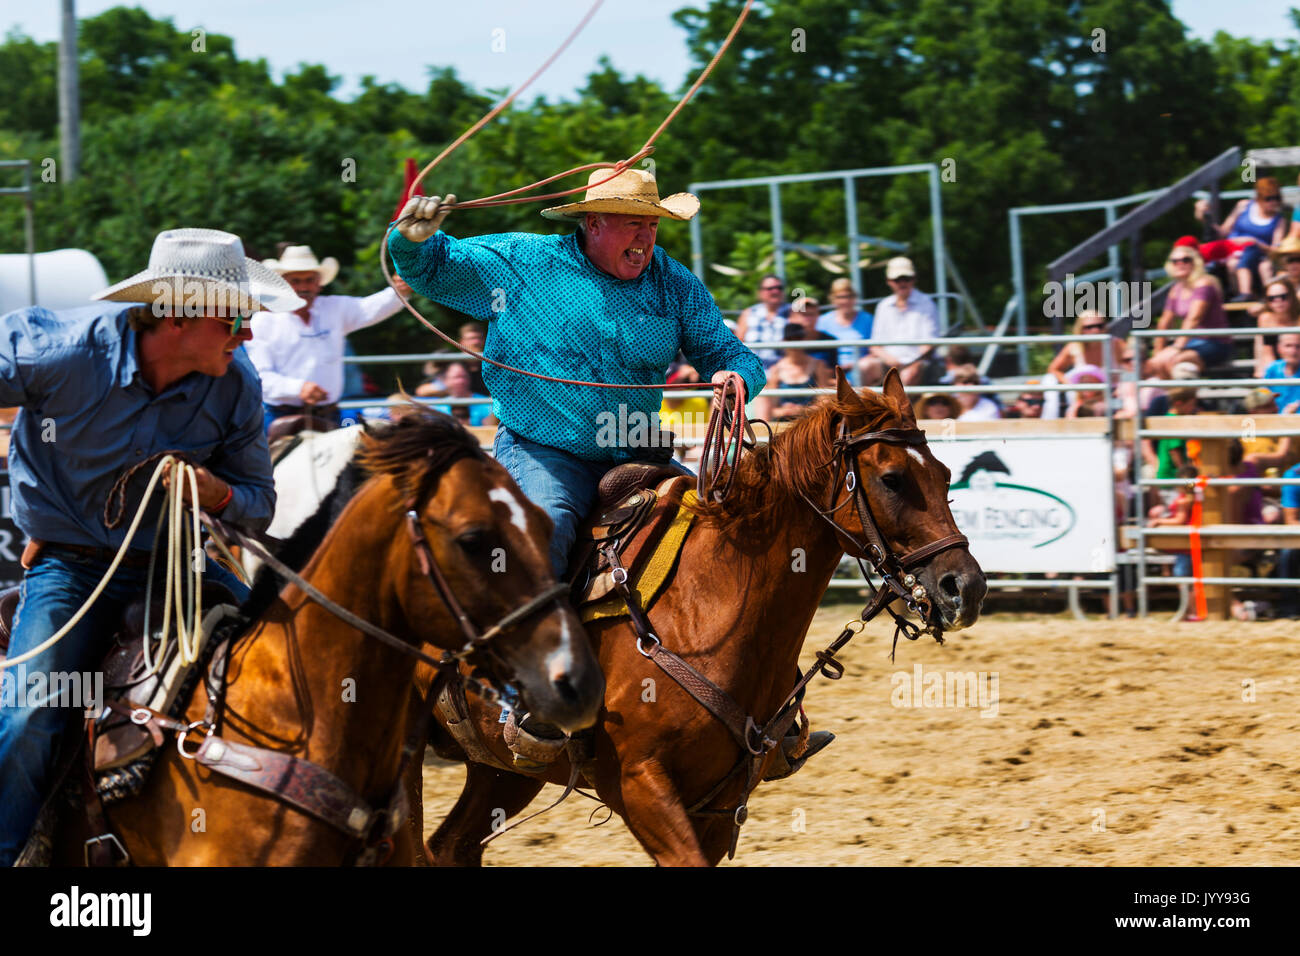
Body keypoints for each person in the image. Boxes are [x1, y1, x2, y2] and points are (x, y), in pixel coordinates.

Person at [0, 228, 287, 866]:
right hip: (70, 571)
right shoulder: (61, 349)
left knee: (291, 657)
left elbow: (258, 504)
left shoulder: (235, 384)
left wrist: (215, 493)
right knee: (32, 710)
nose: (248, 334)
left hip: (182, 564)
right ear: (185, 314)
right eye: (239, 317)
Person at [390, 167, 765, 577]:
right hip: (544, 452)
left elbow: (727, 352)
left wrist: (737, 377)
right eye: (634, 224)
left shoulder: (673, 282)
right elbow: (434, 266)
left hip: (638, 447)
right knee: (545, 535)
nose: (646, 238)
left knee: (717, 530)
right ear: (593, 223)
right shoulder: (521, 263)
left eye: (653, 224)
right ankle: (527, 640)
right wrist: (410, 239)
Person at [245, 244, 413, 431]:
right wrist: (298, 388)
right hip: (280, 415)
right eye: (295, 281)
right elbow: (259, 375)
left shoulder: (333, 309)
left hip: (327, 413)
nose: (303, 287)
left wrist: (400, 290)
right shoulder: (264, 321)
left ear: (319, 283)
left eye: (309, 280)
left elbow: (371, 308)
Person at [1144, 243, 1231, 379]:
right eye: (1175, 261)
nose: (1180, 264)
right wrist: (1158, 352)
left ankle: (1183, 398)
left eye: (1185, 260)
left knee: (1176, 361)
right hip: (1191, 342)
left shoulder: (1205, 284)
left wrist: (1176, 348)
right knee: (1153, 364)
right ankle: (1170, 398)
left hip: (1215, 343)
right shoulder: (1176, 289)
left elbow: (1193, 319)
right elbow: (1165, 322)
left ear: (1195, 262)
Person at [861, 257, 939, 387]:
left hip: (918, 363)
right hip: (888, 363)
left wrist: (912, 363)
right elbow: (875, 346)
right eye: (897, 280)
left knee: (907, 376)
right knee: (864, 367)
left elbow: (929, 344)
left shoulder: (927, 303)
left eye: (906, 279)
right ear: (889, 282)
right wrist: (891, 361)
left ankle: (898, 406)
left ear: (914, 279)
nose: (902, 283)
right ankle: (868, 407)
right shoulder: (883, 306)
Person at [750, 324, 833, 422]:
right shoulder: (776, 369)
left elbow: (824, 404)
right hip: (783, 422)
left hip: (810, 422)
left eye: (798, 338)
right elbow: (771, 410)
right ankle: (762, 434)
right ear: (783, 342)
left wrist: (800, 410)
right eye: (790, 339)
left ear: (805, 341)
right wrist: (786, 411)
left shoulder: (818, 366)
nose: (794, 343)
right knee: (761, 398)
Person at [816, 277, 873, 377]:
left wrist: (855, 364)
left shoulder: (867, 319)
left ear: (855, 298)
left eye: (849, 296)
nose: (845, 301)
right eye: (840, 297)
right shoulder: (823, 321)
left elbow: (876, 350)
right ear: (833, 299)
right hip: (829, 371)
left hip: (860, 370)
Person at [734, 273, 791, 370]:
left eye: (779, 288)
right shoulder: (748, 313)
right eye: (770, 288)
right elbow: (738, 345)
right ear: (760, 292)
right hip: (752, 370)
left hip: (783, 372)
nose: (775, 291)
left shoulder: (793, 312)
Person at [1254, 277, 1300, 377]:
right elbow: (1267, 353)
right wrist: (1270, 376)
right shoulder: (1266, 318)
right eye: (1272, 298)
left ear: (1292, 296)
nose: (1278, 301)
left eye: (1283, 296)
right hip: (1278, 368)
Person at [427, 361, 496, 426]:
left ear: (469, 378)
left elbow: (490, 429)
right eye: (456, 377)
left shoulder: (486, 403)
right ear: (446, 380)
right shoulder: (438, 407)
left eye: (463, 376)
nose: (461, 381)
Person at [783, 296, 838, 368]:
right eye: (804, 314)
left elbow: (833, 371)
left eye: (811, 314)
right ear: (792, 317)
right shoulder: (786, 342)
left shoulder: (830, 340)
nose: (808, 318)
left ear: (818, 316)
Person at [1262, 332, 1300, 410]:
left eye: (1298, 346)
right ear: (1279, 348)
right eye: (1288, 346)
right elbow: (1263, 399)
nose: (1293, 351)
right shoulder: (1273, 368)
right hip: (1275, 419)